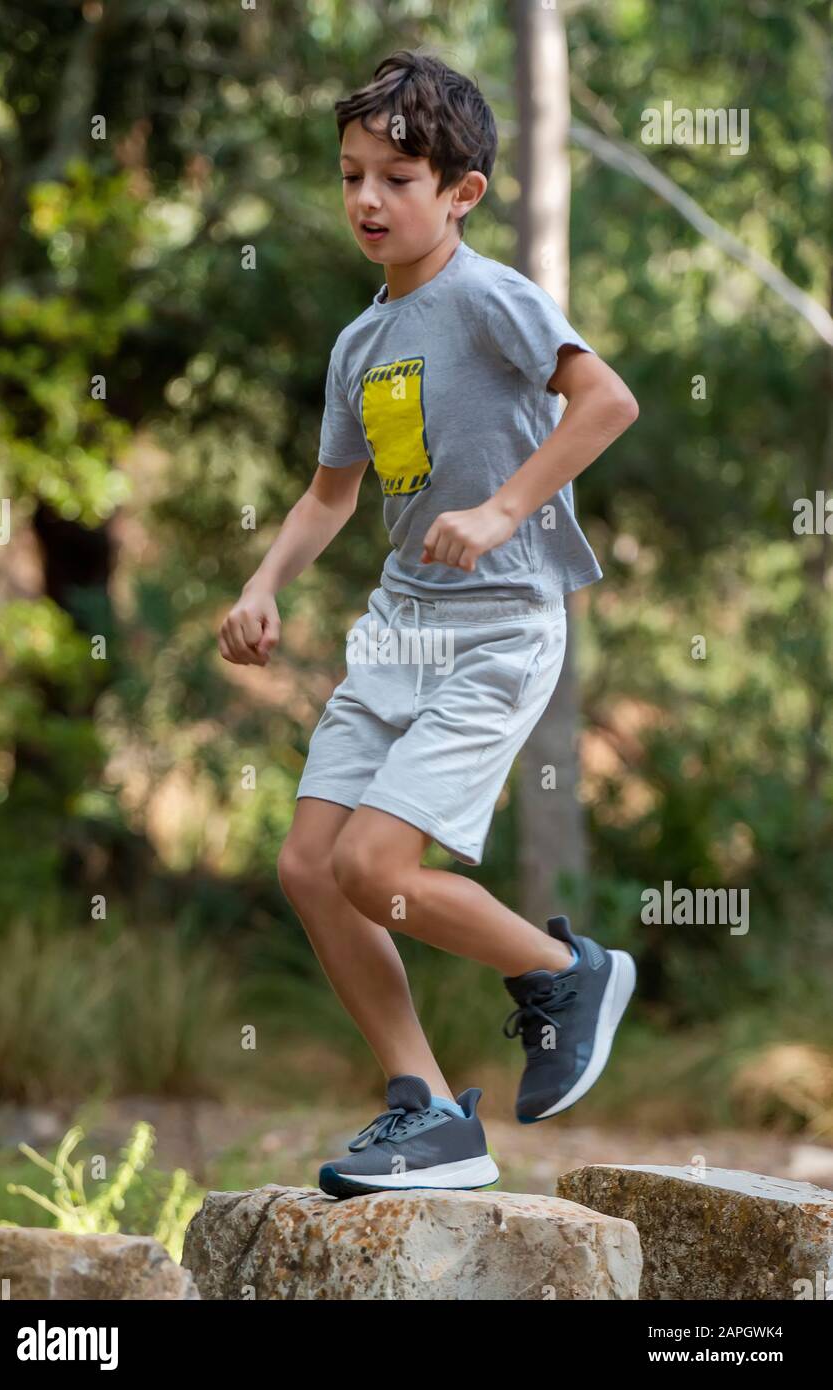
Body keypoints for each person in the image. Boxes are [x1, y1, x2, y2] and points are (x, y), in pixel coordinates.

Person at [219, 49, 639, 1200]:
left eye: (396, 176)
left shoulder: (488, 295)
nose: (365, 197)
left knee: (370, 862)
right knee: (311, 864)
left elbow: (605, 400)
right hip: (397, 628)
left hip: (502, 625)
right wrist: (261, 586)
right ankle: (427, 1109)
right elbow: (328, 496)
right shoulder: (358, 344)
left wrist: (506, 508)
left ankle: (566, 971)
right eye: (351, 174)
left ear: (459, 192)